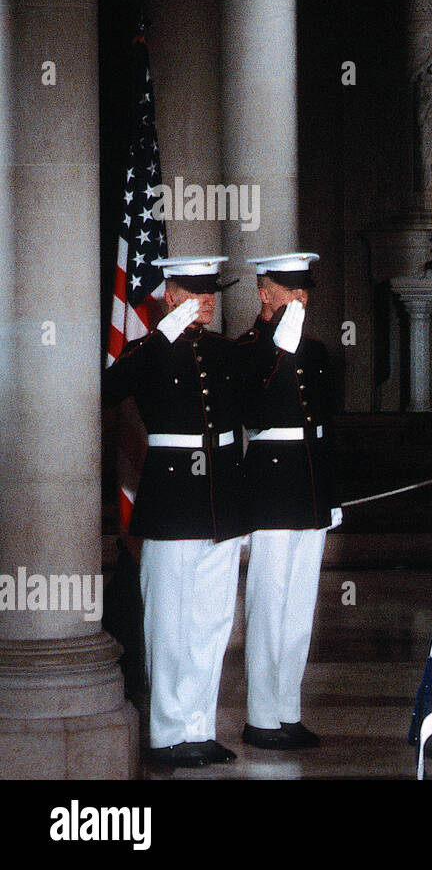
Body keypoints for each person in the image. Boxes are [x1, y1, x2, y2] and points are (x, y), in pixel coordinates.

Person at [101, 256, 246, 768]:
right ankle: (166, 734)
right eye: (195, 291)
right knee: (169, 621)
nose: (207, 300)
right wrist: (161, 338)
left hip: (222, 500)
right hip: (171, 497)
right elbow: (109, 391)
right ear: (169, 296)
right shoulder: (147, 351)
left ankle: (200, 728)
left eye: (212, 292)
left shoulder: (225, 353)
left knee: (212, 620)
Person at [236, 252, 340, 750]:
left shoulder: (317, 351)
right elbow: (248, 409)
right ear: (264, 293)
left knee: (300, 607)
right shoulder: (248, 348)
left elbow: (327, 427)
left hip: (310, 480)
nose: (300, 299)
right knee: (268, 602)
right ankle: (259, 717)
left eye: (304, 290)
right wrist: (276, 347)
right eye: (289, 289)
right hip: (271, 483)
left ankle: (287, 710)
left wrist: (333, 495)